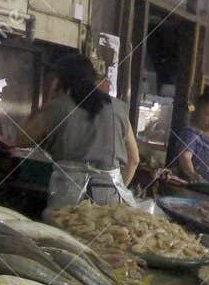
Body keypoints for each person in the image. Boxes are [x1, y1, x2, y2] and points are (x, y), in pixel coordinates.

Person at [35, 51, 140, 208]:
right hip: (109, 196)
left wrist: (50, 97)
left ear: (61, 81)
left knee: (59, 231)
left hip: (66, 195)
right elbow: (134, 160)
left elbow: (20, 139)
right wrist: (117, 186)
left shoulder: (57, 107)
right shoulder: (118, 108)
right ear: (93, 78)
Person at [170, 90, 209, 185]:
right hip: (191, 188)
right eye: (208, 114)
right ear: (198, 114)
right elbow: (185, 157)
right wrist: (193, 175)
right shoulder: (191, 134)